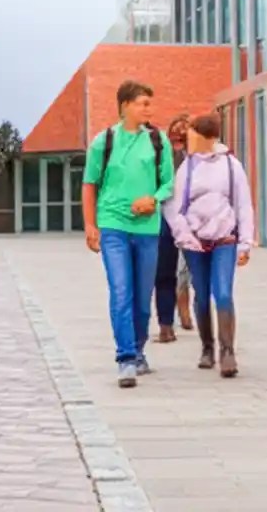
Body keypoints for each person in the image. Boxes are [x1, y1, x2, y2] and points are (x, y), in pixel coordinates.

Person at [81, 79, 175, 389]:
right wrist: (90, 225)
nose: (149, 108)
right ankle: (125, 359)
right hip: (113, 225)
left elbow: (168, 184)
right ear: (125, 106)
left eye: (150, 103)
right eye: (143, 103)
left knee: (142, 298)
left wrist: (154, 199)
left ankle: (138, 349)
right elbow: (89, 183)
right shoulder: (103, 141)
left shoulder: (159, 141)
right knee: (121, 291)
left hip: (148, 229)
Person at [163, 113, 253, 378]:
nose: (187, 138)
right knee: (201, 295)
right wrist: (184, 235)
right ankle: (207, 347)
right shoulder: (186, 168)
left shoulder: (231, 166)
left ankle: (228, 351)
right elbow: (173, 207)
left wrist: (245, 242)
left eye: (192, 134)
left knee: (223, 292)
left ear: (206, 137)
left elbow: (243, 204)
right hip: (194, 242)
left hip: (224, 238)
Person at [155, 114, 193, 343]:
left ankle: (193, 314)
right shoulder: (162, 158)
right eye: (175, 132)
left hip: (195, 224)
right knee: (165, 274)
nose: (179, 134)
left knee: (195, 274)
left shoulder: (200, 159)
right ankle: (166, 324)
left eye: (185, 131)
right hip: (167, 221)